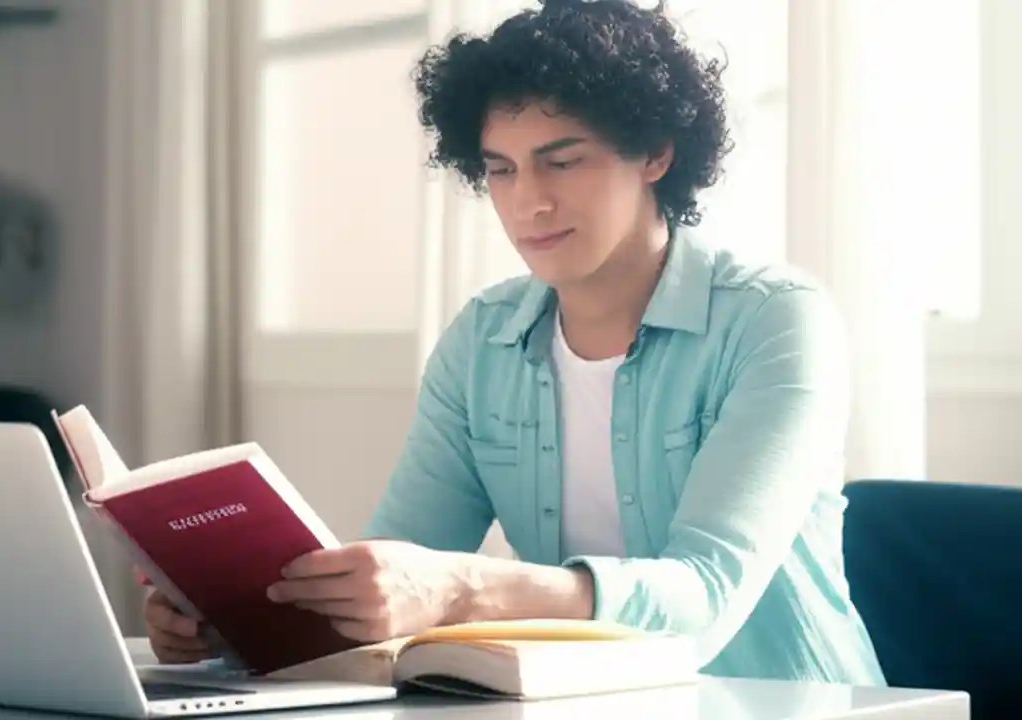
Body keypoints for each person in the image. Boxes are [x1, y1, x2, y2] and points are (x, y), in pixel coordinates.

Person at [144, 0, 886, 685]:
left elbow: (706, 597)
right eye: (501, 169)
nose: (528, 201)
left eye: (562, 161)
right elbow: (399, 570)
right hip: (583, 703)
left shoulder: (775, 322)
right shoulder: (483, 342)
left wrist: (461, 588)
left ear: (656, 153)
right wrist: (242, 618)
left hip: (786, 701)